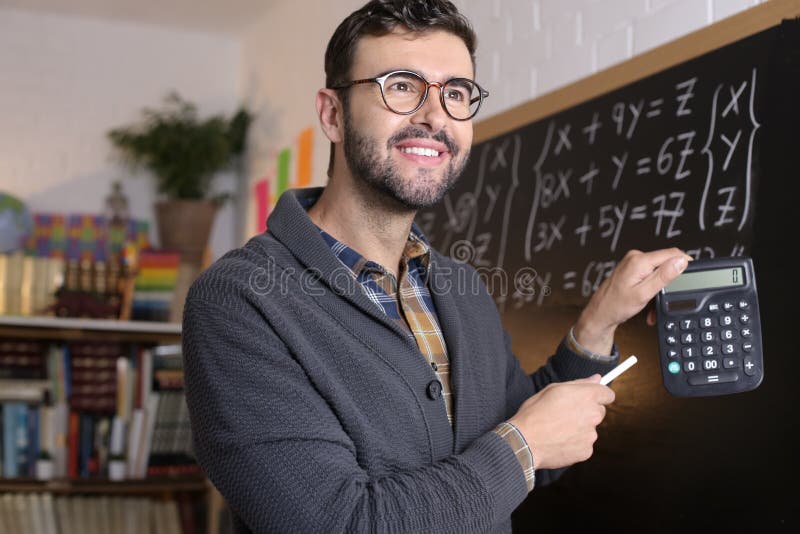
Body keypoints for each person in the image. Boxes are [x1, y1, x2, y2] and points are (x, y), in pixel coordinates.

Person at [181, 1, 691, 532]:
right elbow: (338, 522)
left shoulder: (458, 288)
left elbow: (526, 442)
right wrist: (523, 445)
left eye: (455, 93)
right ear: (333, 114)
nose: (434, 116)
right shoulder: (237, 302)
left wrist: (598, 325)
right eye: (401, 85)